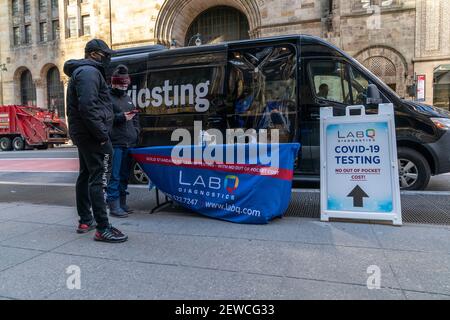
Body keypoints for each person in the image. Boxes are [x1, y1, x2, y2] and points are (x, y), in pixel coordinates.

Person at [64, 39, 128, 243]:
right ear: (93, 54)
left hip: (86, 133)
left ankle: (86, 220)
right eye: (104, 53)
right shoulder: (89, 73)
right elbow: (88, 107)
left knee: (86, 174)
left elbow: (96, 104)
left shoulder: (85, 72)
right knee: (99, 177)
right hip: (92, 135)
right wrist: (102, 135)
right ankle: (103, 227)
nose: (107, 57)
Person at [106, 65, 140, 218]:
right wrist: (121, 118)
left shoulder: (127, 97)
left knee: (125, 175)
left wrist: (136, 131)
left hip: (129, 142)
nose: (124, 87)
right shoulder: (106, 97)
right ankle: (113, 204)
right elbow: (104, 118)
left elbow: (136, 118)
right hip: (116, 143)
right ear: (113, 83)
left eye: (126, 84)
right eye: (121, 84)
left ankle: (122, 202)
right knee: (115, 175)